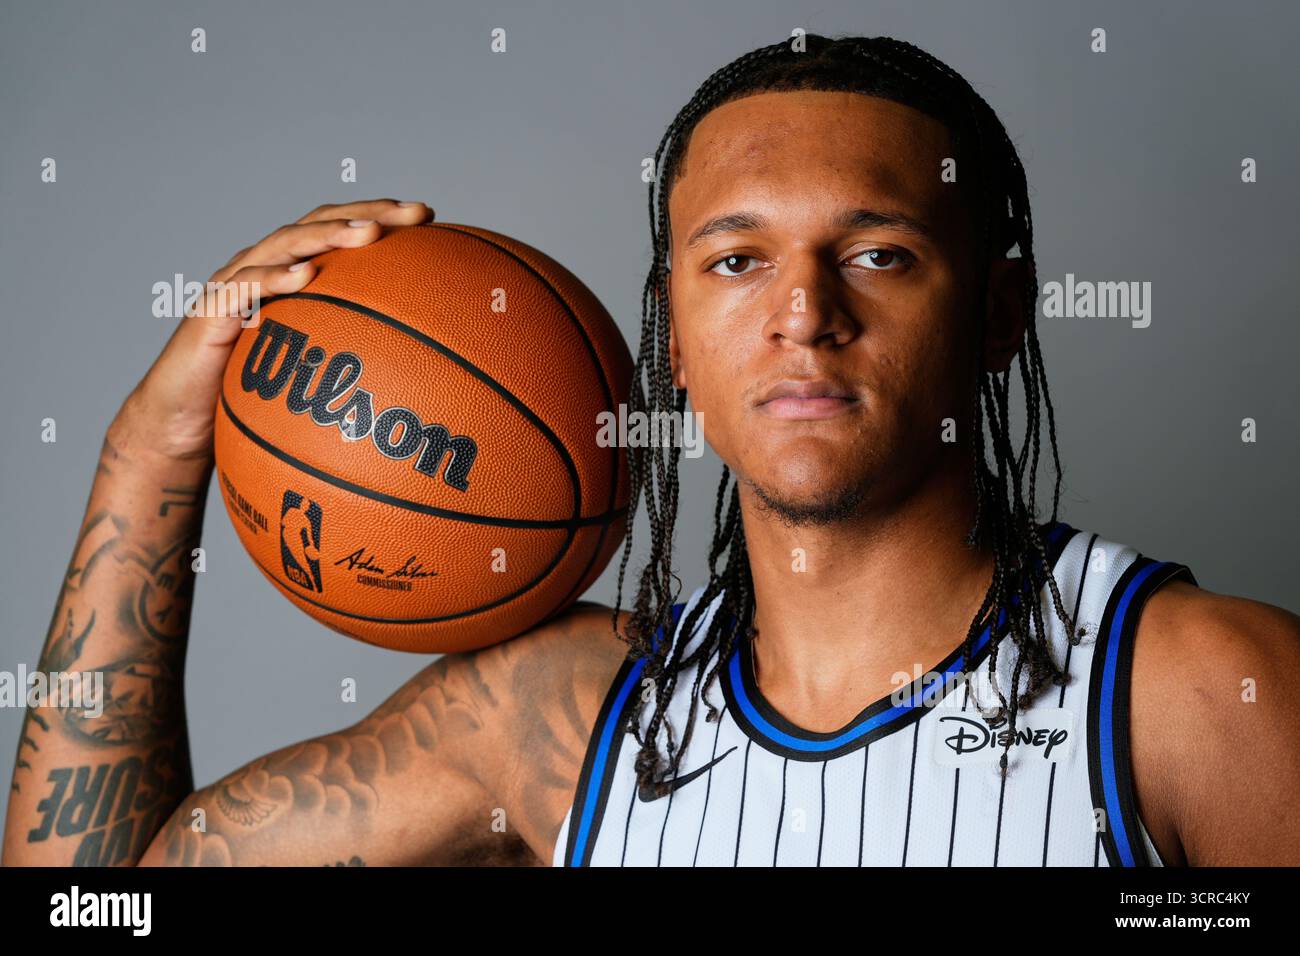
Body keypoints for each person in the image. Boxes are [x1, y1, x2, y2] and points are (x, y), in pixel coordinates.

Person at [5, 34, 1298, 868]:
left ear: (999, 317)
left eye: (878, 253)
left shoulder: (1191, 696)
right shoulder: (557, 723)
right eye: (738, 261)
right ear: (675, 333)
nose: (804, 311)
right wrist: (149, 446)